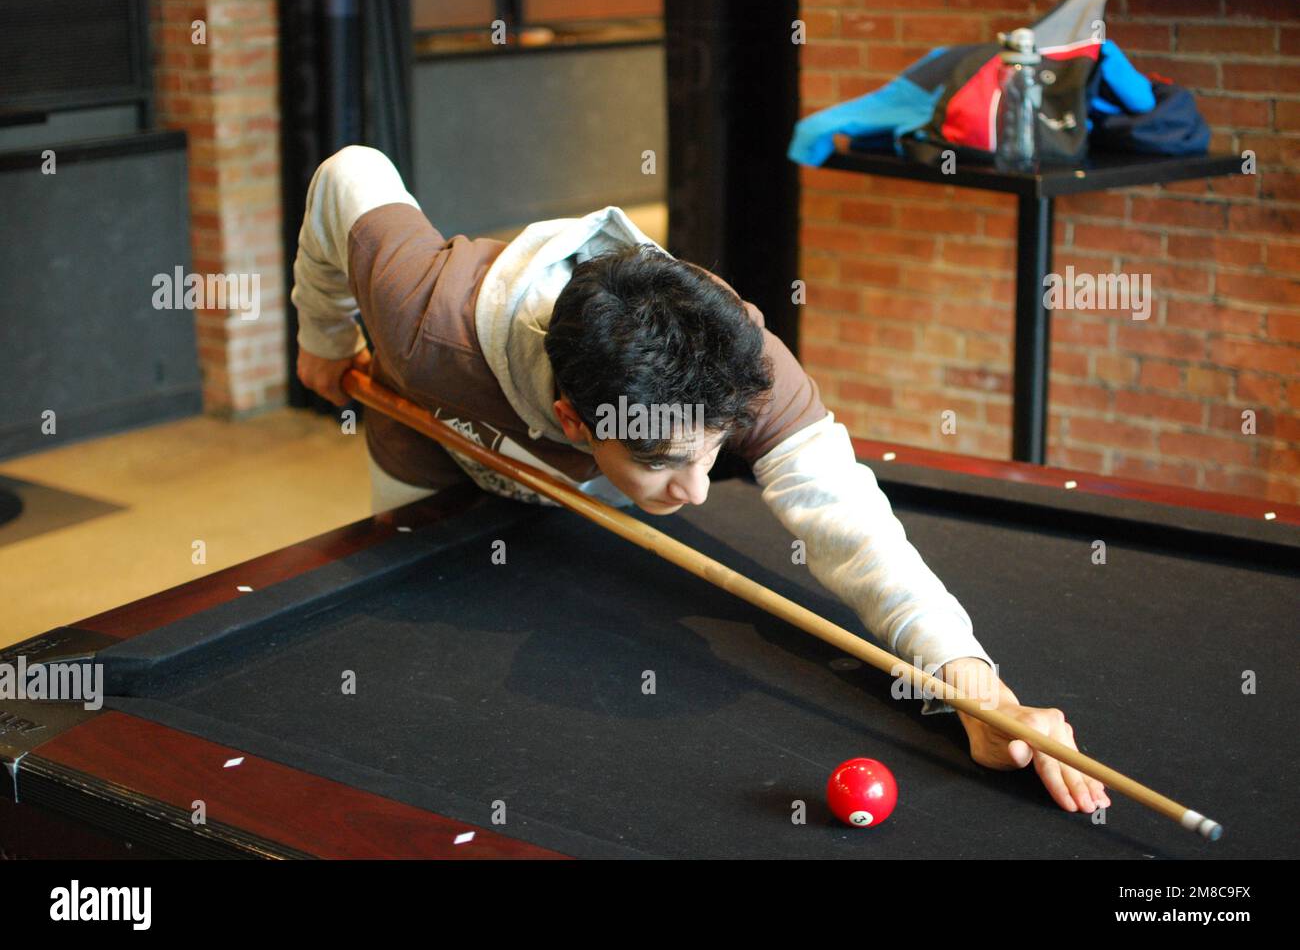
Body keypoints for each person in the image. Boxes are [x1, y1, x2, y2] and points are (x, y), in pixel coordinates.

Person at [291, 145, 1110, 815]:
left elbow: (846, 518)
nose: (701, 492)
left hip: (582, 501)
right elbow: (348, 172)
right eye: (668, 463)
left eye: (711, 453)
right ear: (577, 420)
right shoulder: (424, 313)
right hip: (431, 473)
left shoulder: (738, 360)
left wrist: (967, 678)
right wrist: (325, 335)